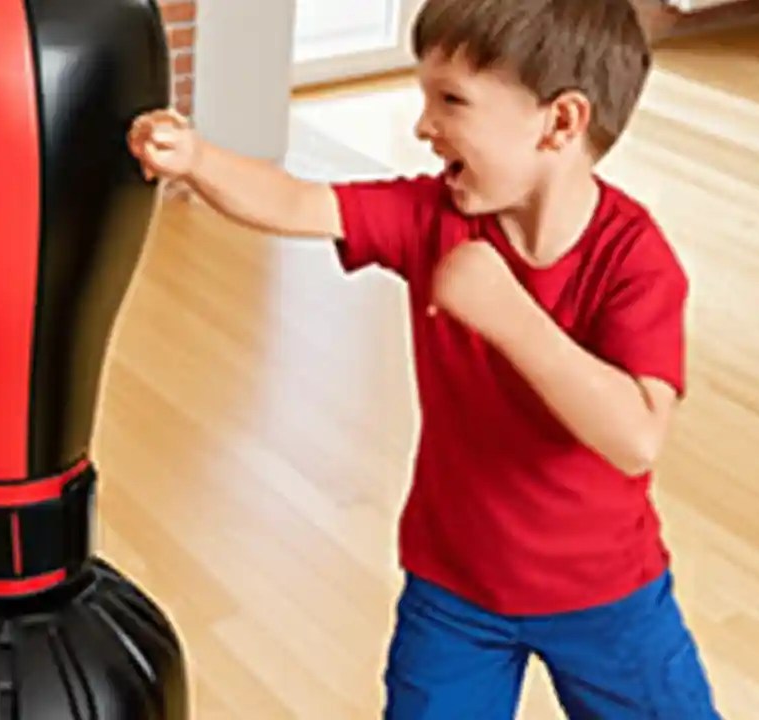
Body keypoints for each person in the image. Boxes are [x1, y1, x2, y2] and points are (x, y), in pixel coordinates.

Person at [128, 0, 721, 717]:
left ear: (560, 122)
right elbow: (295, 201)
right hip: (454, 590)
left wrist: (510, 316)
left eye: (452, 100)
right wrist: (196, 158)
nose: (423, 125)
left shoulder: (635, 261)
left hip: (609, 597)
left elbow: (635, 436)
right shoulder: (432, 215)